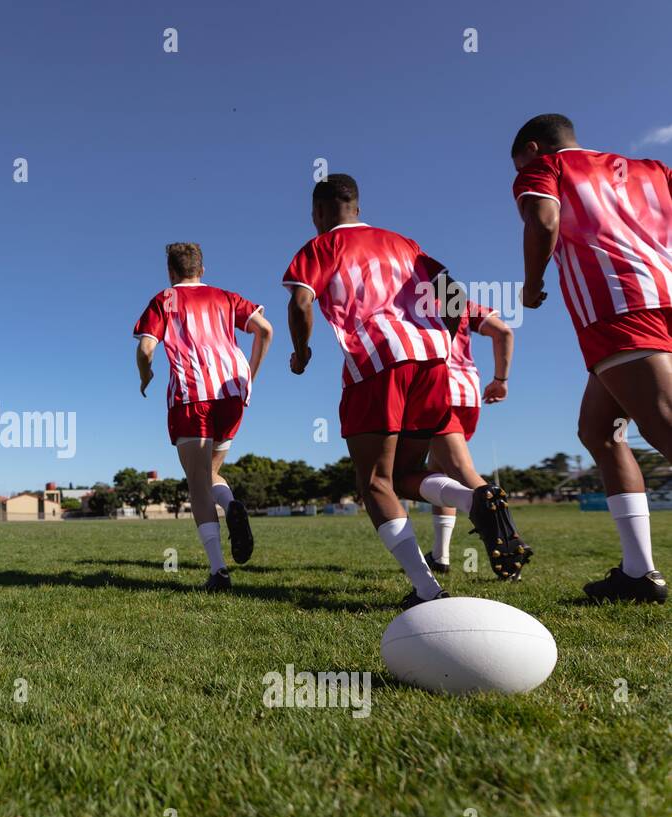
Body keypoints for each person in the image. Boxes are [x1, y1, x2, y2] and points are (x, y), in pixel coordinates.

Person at [283, 174, 531, 609]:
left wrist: (301, 352)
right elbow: (452, 293)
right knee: (402, 476)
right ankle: (476, 498)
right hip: (433, 360)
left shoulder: (321, 246)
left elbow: (301, 301)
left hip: (378, 360)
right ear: (357, 208)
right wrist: (444, 341)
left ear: (318, 212)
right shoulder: (404, 243)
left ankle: (426, 588)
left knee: (375, 482)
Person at [512, 113, 670, 604]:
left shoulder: (547, 167)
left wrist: (533, 281)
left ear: (533, 149)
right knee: (598, 431)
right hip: (662, 295)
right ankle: (637, 573)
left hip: (617, 307)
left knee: (664, 424)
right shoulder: (652, 169)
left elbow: (543, 220)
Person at [134, 242, 272, 590]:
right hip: (232, 391)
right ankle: (231, 503)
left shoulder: (164, 299)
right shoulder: (226, 296)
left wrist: (145, 375)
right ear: (202, 269)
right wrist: (250, 373)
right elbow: (265, 330)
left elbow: (145, 347)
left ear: (170, 272)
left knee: (196, 481)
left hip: (192, 394)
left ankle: (218, 571)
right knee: (211, 472)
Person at [426, 302, 516, 573]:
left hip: (435, 389)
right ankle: (440, 556)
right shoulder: (461, 302)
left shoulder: (404, 298)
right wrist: (501, 379)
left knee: (461, 471)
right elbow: (503, 333)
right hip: (467, 393)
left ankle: (510, 546)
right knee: (439, 472)